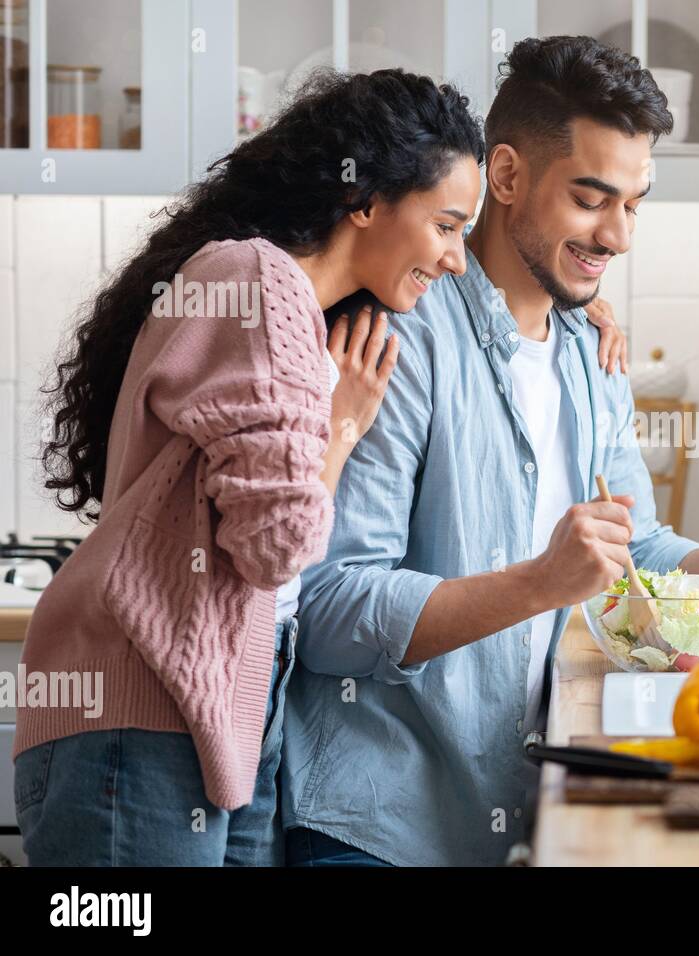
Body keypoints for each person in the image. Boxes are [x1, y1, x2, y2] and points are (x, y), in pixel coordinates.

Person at [280, 36, 699, 867]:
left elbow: (629, 553)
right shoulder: (402, 340)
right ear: (506, 177)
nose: (618, 236)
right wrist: (538, 584)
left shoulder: (592, 351)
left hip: (526, 809)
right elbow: (331, 610)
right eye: (592, 199)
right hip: (381, 827)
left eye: (635, 204)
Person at [13, 70, 486, 866]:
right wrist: (341, 426)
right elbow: (277, 545)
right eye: (446, 225)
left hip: (219, 720)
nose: (457, 259)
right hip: (139, 722)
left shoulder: (295, 307)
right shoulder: (257, 281)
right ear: (363, 200)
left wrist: (588, 313)